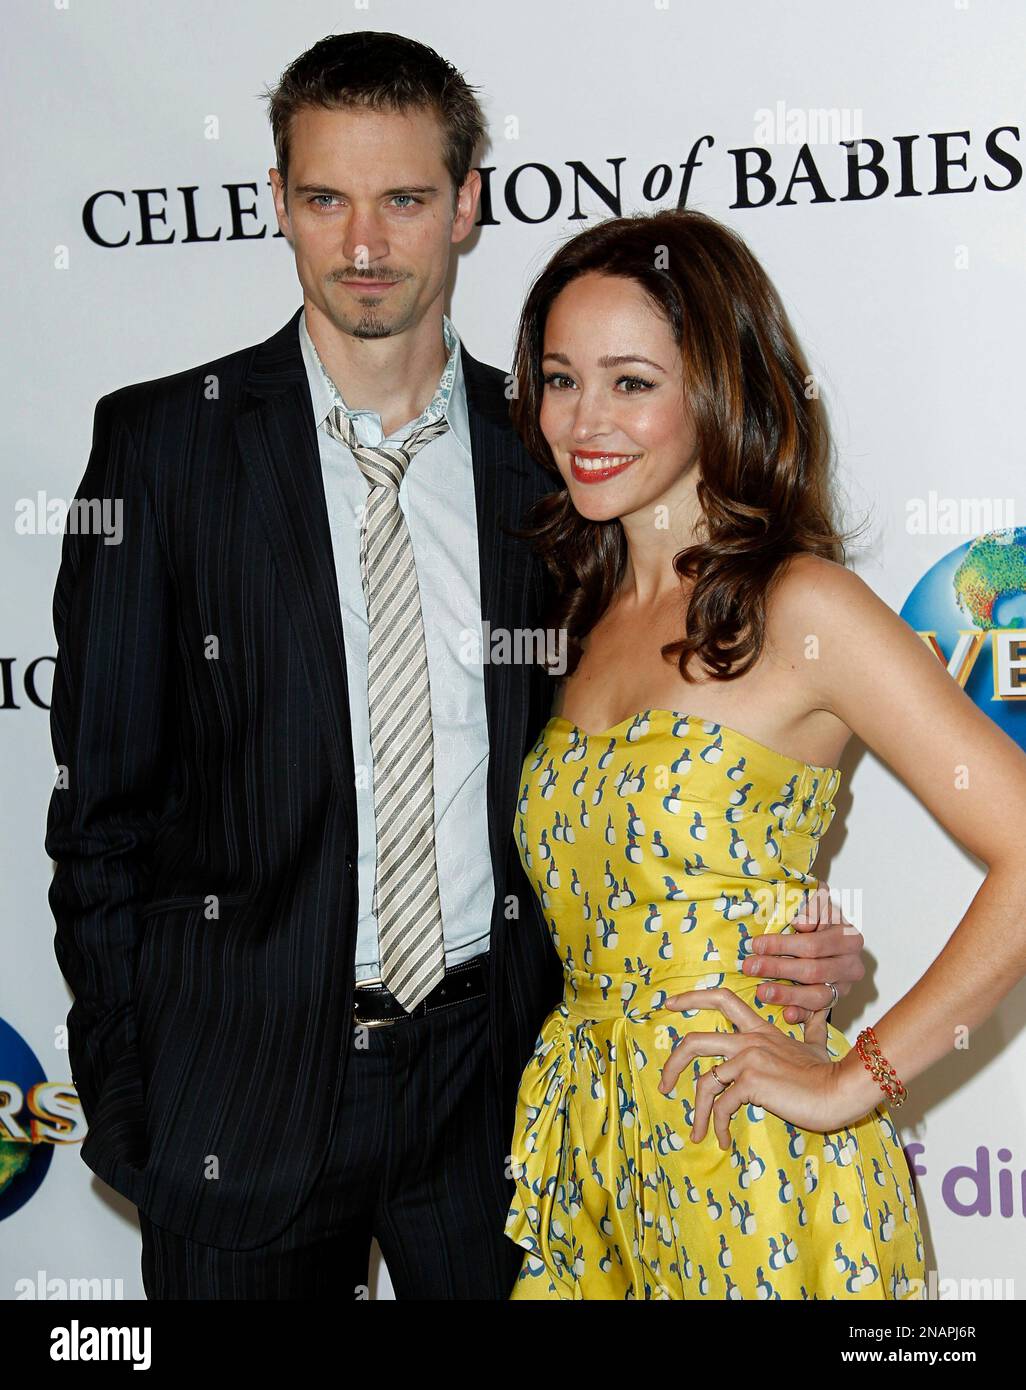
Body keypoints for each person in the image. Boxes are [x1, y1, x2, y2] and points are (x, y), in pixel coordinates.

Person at [45, 33, 866, 1300]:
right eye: (326, 198)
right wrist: (128, 1094)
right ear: (275, 203)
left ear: (467, 204)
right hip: (239, 1093)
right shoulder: (162, 453)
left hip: (500, 1090)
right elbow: (97, 816)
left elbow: (655, 745)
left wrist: (789, 925)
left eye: (406, 199)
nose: (364, 243)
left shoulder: (558, 461)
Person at [502, 207, 1026, 1300]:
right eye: (560, 378)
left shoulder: (803, 605)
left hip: (759, 1165)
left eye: (632, 381)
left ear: (718, 387)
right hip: (594, 1155)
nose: (584, 419)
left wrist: (854, 1078)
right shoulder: (576, 610)